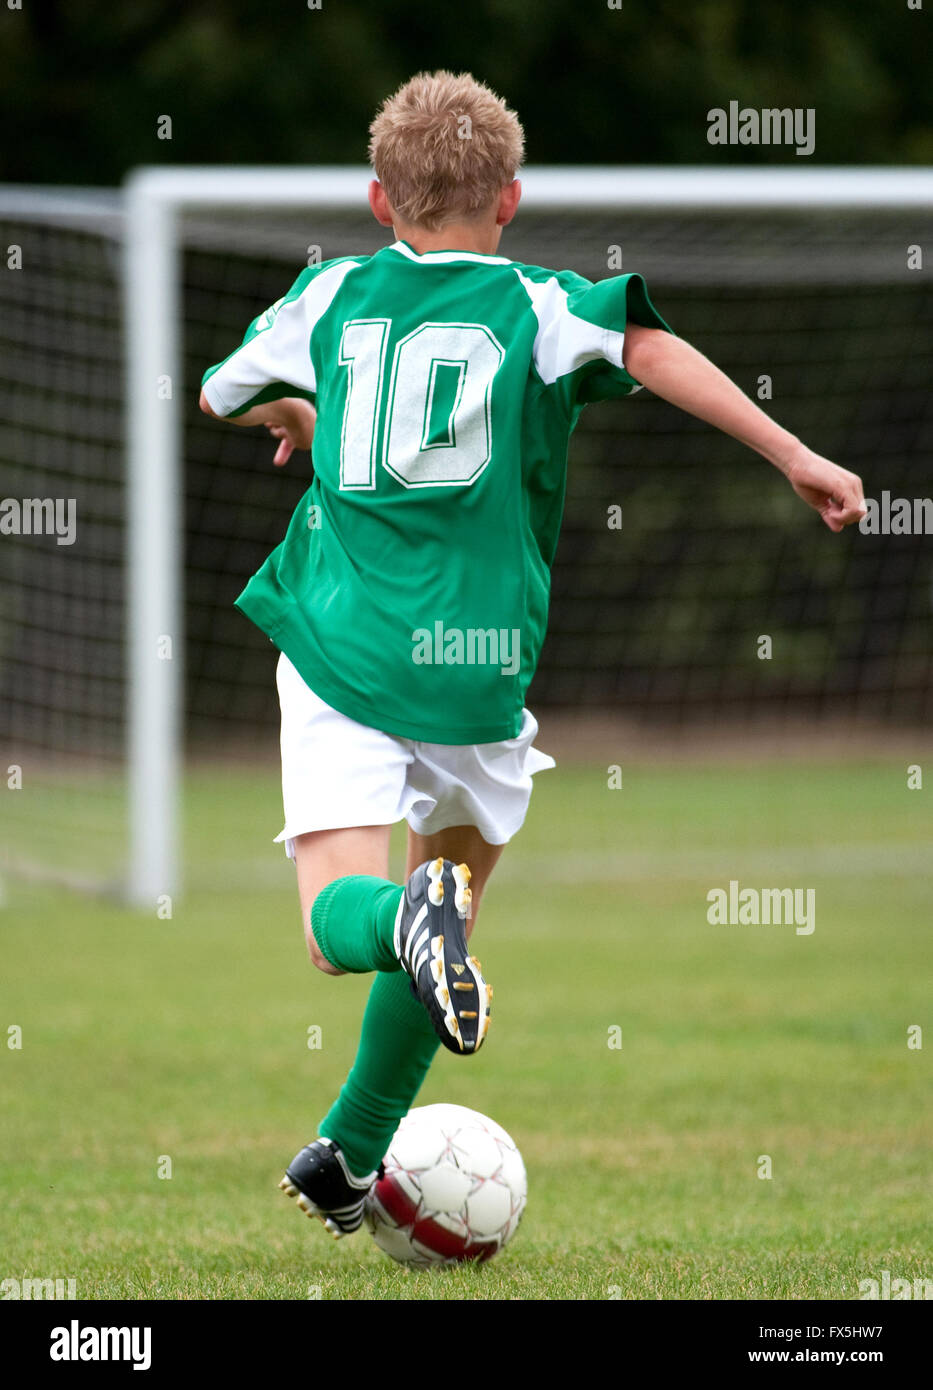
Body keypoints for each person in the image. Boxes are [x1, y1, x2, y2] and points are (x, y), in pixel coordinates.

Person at [199, 70, 866, 1238]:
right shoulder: (543, 305)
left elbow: (219, 392)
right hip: (479, 672)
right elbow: (654, 348)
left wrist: (296, 417)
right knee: (444, 896)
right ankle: (351, 1155)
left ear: (375, 198)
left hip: (343, 644)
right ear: (510, 198)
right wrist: (795, 453)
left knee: (337, 924)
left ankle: (401, 934)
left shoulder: (331, 295)